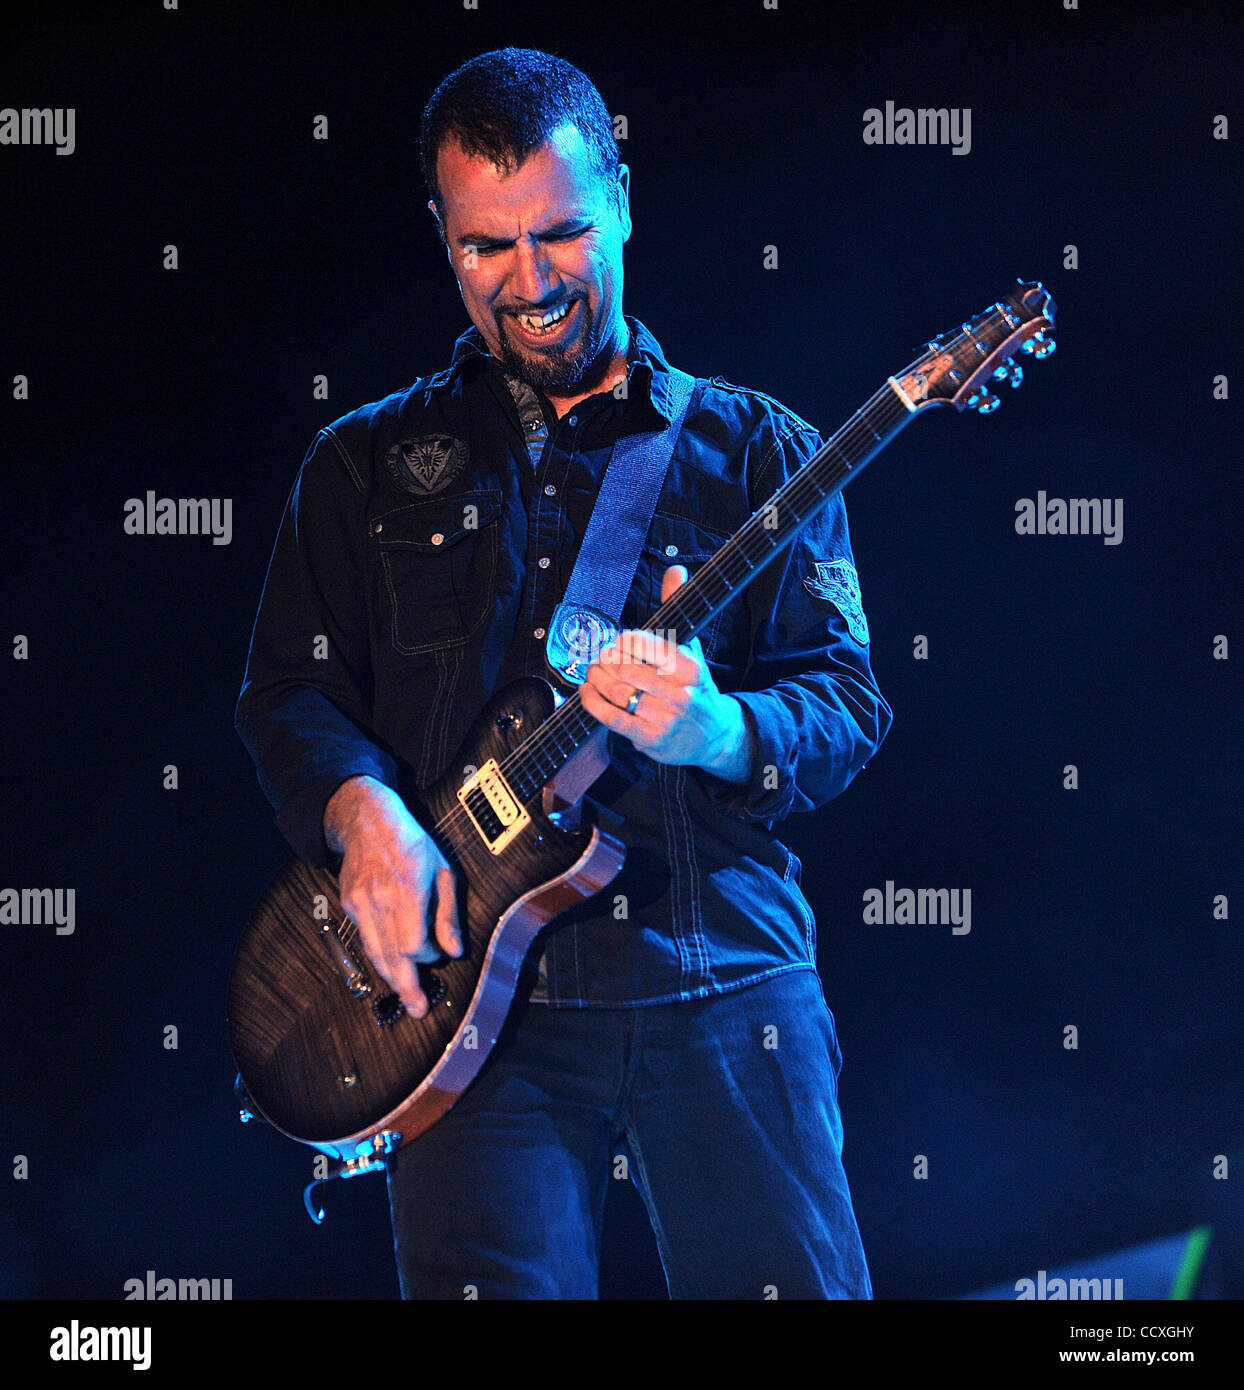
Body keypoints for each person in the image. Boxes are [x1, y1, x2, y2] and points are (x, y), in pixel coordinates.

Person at [235, 46, 892, 1300]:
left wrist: (719, 728)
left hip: (721, 978)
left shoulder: (758, 449)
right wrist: (359, 810)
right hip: (467, 1021)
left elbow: (845, 702)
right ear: (438, 233)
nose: (529, 283)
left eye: (562, 234)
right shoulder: (360, 463)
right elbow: (287, 692)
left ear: (624, 199)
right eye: (486, 247)